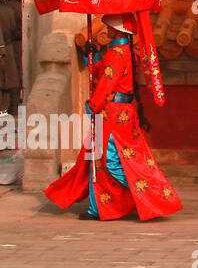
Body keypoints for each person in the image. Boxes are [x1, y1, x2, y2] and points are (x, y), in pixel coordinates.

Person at [44, 13, 182, 221]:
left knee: (109, 160)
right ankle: (106, 205)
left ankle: (144, 194)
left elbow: (108, 84)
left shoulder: (117, 52)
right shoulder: (123, 51)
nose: (107, 30)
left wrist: (93, 104)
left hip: (113, 114)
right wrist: (95, 57)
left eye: (110, 28)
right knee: (115, 158)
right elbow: (110, 74)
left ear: (118, 30)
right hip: (122, 112)